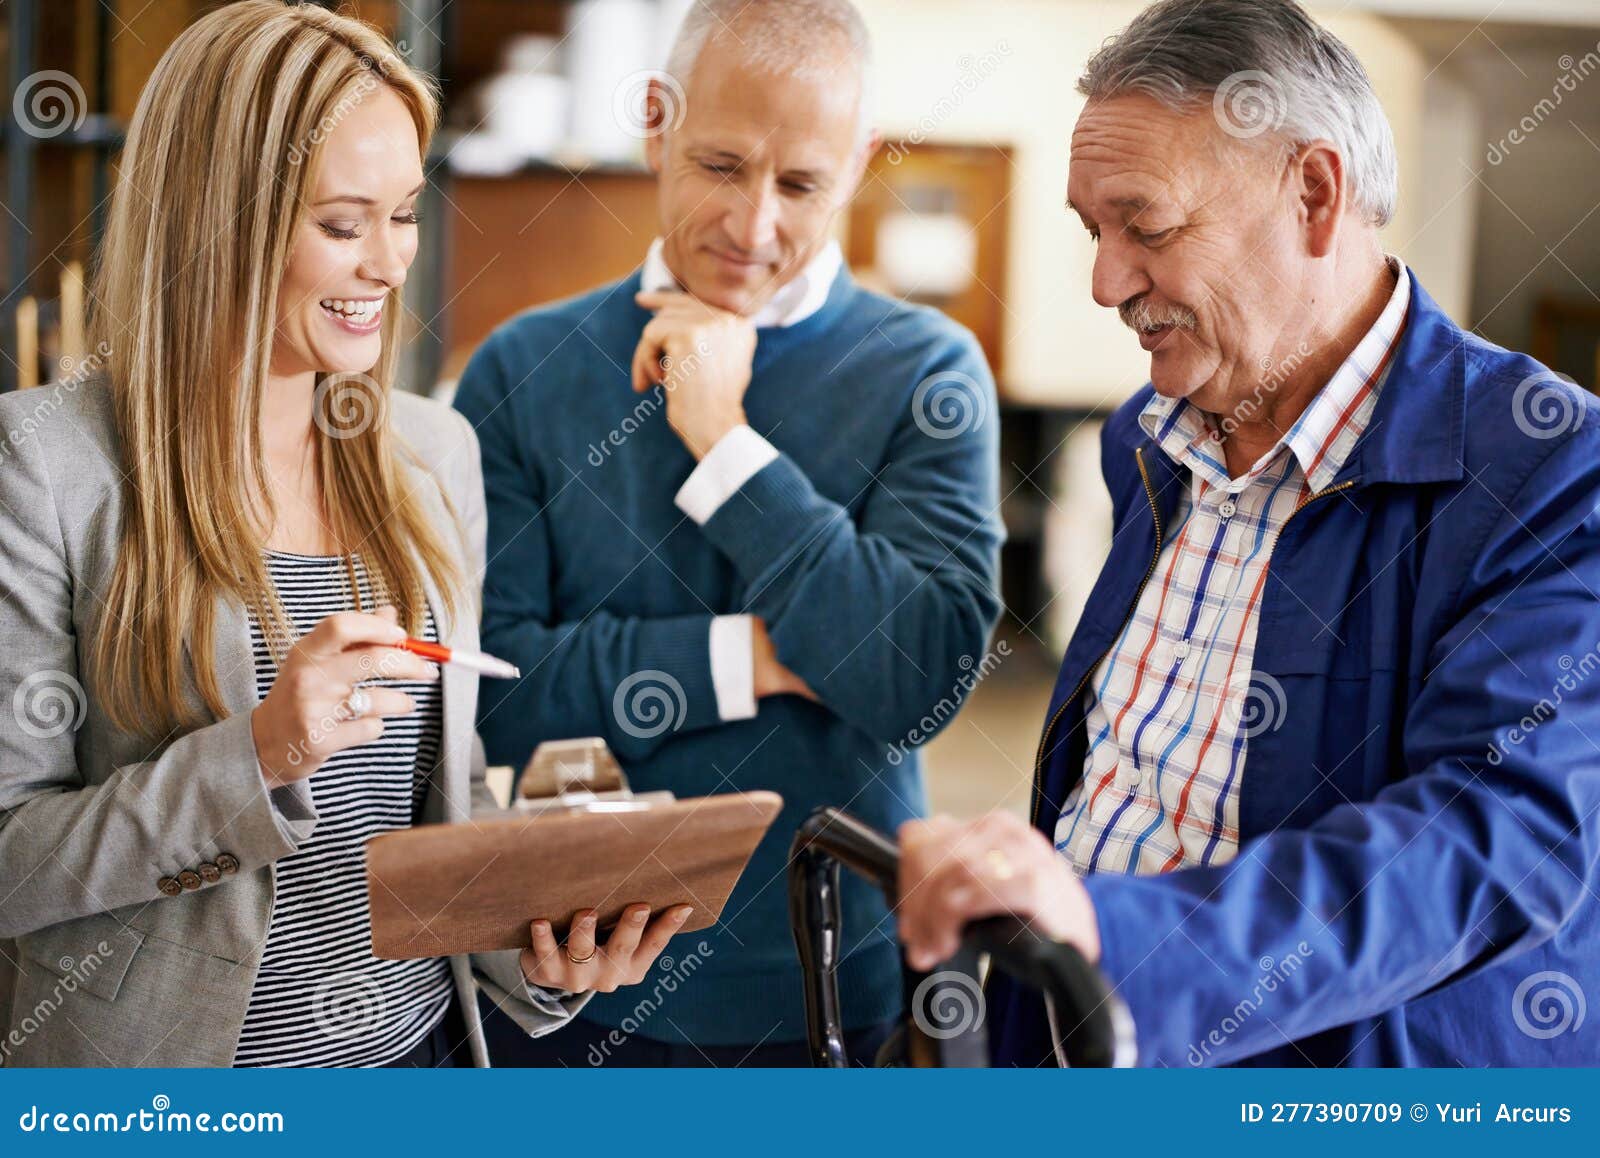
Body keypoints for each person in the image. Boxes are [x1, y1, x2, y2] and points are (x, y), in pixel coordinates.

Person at [898, 0, 1600, 1067]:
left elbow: (1495, 838)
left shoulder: (1552, 469)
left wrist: (1117, 938)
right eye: (1093, 231)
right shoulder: (1149, 437)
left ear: (1313, 195)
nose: (1105, 282)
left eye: (1148, 226)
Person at [0, 0, 684, 1068]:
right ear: (217, 221)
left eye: (404, 213)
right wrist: (259, 756)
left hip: (419, 1063)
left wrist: (536, 944)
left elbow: (423, 814)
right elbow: (12, 863)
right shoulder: (46, 465)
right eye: (342, 222)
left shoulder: (432, 456)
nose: (390, 262)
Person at [453, 0, 1002, 1065]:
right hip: (569, 987)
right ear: (655, 124)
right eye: (720, 164)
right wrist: (764, 654)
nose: (753, 227)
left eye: (799, 184)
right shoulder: (521, 369)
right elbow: (492, 694)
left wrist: (726, 441)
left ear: (857, 165)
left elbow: (911, 676)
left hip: (835, 989)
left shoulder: (928, 374)